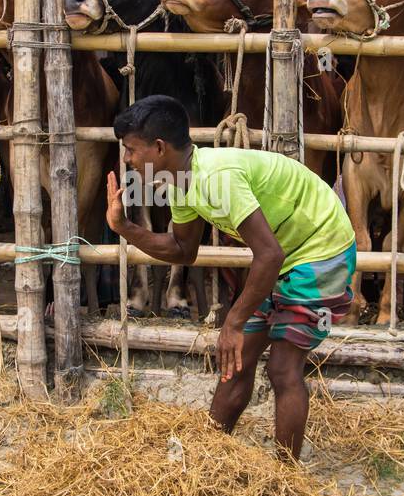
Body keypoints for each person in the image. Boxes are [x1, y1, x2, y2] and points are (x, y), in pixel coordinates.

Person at [106, 95, 357, 460]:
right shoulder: (180, 181)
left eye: (131, 149)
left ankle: (285, 479)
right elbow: (181, 249)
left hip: (322, 250)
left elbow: (269, 254)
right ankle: (205, 461)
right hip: (283, 257)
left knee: (282, 368)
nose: (127, 159)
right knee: (235, 360)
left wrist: (234, 323)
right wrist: (123, 227)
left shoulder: (217, 178)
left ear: (159, 148)